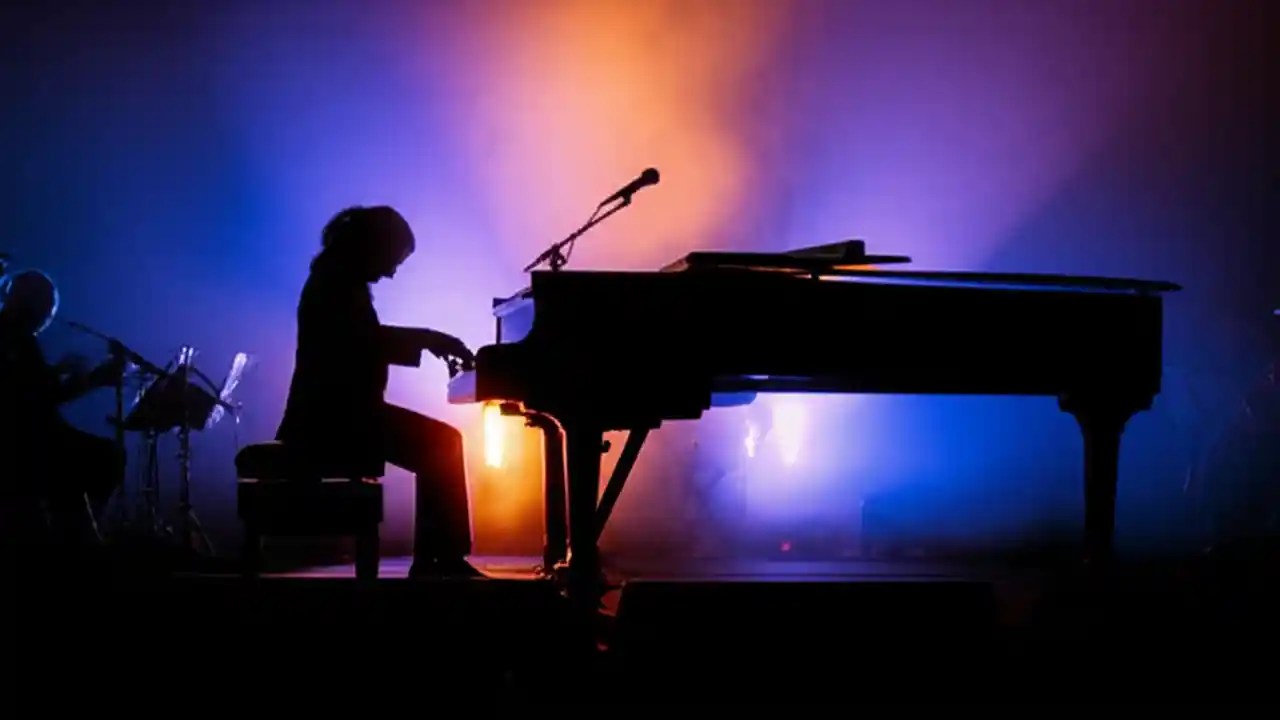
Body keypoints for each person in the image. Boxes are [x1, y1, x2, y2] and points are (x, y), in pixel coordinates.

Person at [276, 205, 481, 578]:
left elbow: (364, 340)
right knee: (443, 443)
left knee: (440, 442)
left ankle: (438, 559)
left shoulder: (334, 277)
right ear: (372, 246)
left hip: (335, 414)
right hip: (332, 419)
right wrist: (431, 338)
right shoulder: (335, 282)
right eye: (392, 261)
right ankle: (441, 560)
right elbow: (362, 341)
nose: (390, 273)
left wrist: (428, 341)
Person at [0, 269, 125, 550]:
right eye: (48, 309)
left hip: (33, 441)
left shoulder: (16, 335)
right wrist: (91, 380)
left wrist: (65, 375)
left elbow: (36, 391)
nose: (50, 318)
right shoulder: (15, 336)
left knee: (88, 465)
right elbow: (38, 398)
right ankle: (72, 537)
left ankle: (71, 531)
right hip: (24, 446)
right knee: (107, 458)